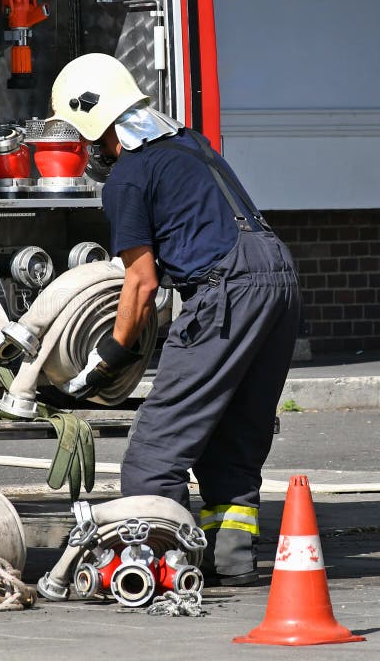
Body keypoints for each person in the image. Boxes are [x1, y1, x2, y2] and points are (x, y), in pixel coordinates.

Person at [48, 53, 301, 585]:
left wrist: (110, 356)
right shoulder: (190, 143)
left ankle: (158, 564)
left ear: (95, 132)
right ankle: (230, 558)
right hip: (279, 277)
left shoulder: (127, 179)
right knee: (234, 433)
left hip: (227, 291)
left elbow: (140, 283)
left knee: (155, 452)